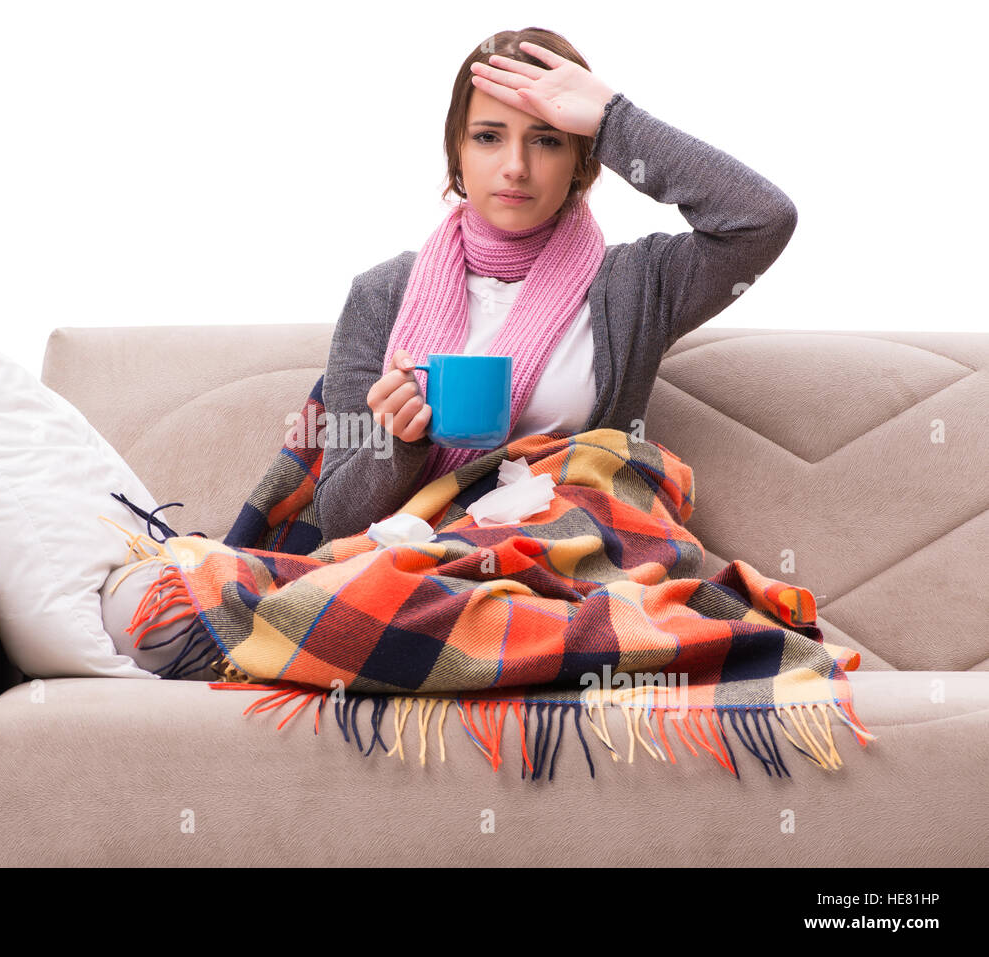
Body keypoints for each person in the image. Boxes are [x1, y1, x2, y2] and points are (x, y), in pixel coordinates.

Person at [100, 26, 797, 677]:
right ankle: (476, 644)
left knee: (477, 609)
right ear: (456, 155)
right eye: (489, 136)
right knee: (150, 609)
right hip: (417, 564)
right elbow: (342, 516)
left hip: (559, 566)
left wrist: (614, 118)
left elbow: (761, 219)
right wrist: (396, 440)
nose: (516, 166)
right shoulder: (382, 294)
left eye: (549, 140)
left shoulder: (637, 285)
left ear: (584, 160)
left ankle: (441, 643)